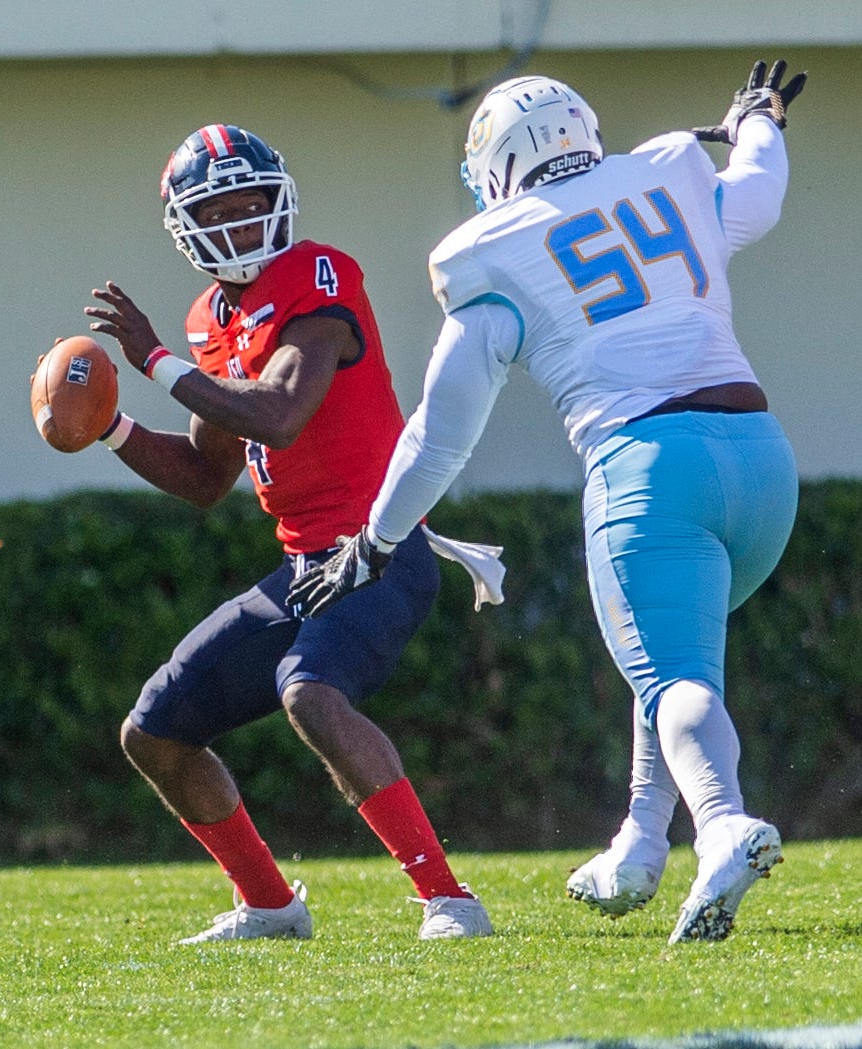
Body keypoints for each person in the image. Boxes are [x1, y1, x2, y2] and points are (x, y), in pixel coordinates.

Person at [288, 61, 808, 944]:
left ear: (495, 165)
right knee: (666, 661)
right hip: (762, 461)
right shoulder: (665, 176)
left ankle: (722, 823)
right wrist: (757, 118)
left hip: (648, 466)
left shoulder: (489, 251)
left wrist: (374, 539)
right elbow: (756, 193)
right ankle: (640, 844)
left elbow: (438, 434)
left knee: (671, 676)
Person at [82, 123, 495, 942]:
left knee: (309, 691)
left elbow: (277, 413)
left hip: (381, 549)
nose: (239, 223)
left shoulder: (320, 274)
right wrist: (109, 426)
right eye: (219, 209)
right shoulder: (212, 317)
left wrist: (158, 361)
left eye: (251, 203)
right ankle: (270, 906)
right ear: (184, 227)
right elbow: (207, 477)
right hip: (307, 564)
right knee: (154, 729)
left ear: (282, 202)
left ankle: (449, 899)